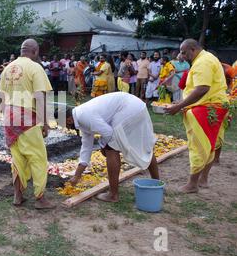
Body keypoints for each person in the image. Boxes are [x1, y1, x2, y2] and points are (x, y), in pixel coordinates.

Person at [61, 92, 160, 202]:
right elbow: (86, 148)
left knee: (110, 149)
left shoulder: (83, 116)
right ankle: (157, 184)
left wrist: (103, 146)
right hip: (137, 106)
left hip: (129, 108)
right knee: (144, 147)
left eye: (65, 124)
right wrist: (77, 176)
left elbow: (108, 133)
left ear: (69, 119)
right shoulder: (81, 117)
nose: (67, 127)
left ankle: (113, 195)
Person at [165, 39, 229, 194]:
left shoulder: (203, 62)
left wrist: (180, 106)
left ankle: (192, 184)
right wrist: (184, 102)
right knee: (209, 144)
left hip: (206, 109)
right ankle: (203, 179)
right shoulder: (207, 58)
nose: (182, 55)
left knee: (198, 146)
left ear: (193, 49)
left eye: (184, 52)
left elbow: (202, 89)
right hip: (216, 106)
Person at [0, 39, 55, 210]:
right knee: (37, 157)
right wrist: (45, 123)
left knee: (17, 158)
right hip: (27, 116)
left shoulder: (8, 68)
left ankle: (18, 196)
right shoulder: (35, 67)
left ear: (21, 50)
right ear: (35, 51)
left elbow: (1, 97)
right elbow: (39, 97)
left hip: (9, 116)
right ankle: (40, 198)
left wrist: (6, 117)